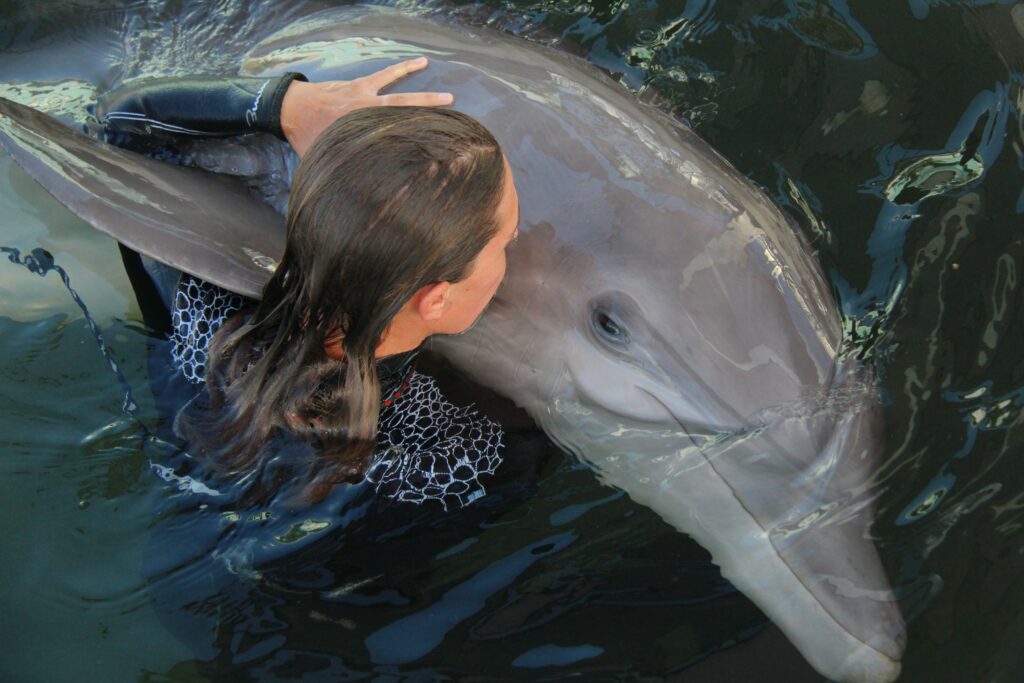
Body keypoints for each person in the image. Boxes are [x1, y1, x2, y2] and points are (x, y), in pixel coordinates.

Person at [96, 58, 523, 509]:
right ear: (436, 299)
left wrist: (287, 106)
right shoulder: (457, 454)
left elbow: (121, 136)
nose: (512, 248)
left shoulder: (202, 309)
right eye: (506, 243)